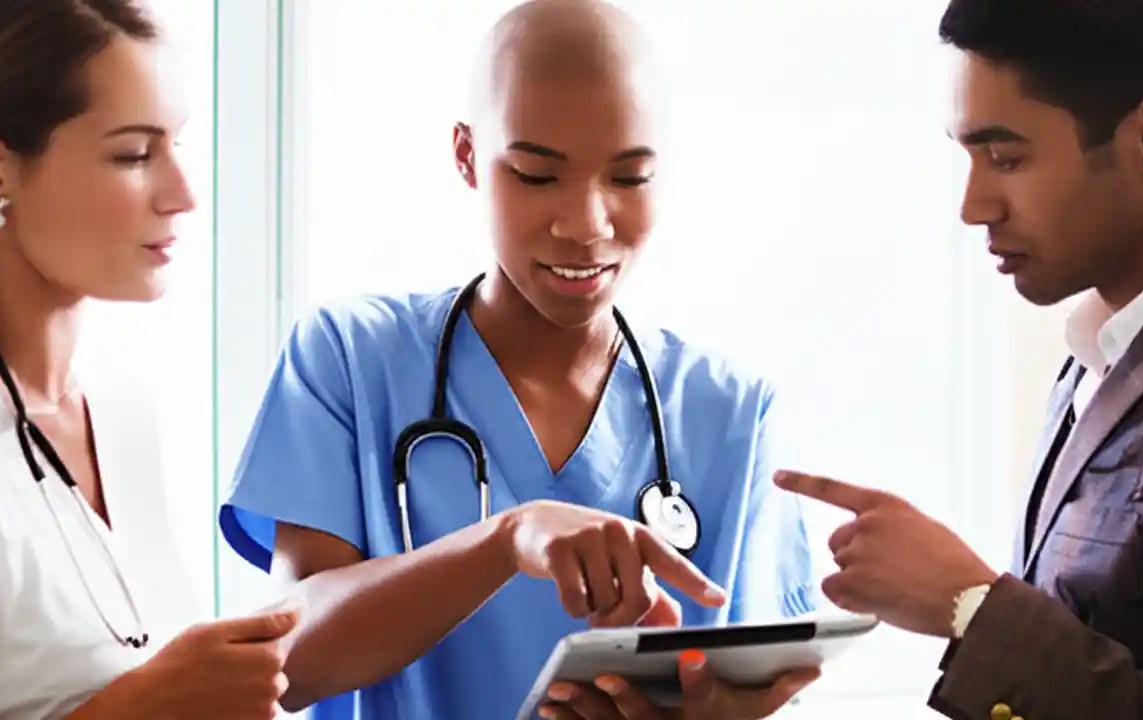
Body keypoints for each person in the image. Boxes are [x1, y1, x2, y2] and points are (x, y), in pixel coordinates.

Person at [218, 0, 820, 718]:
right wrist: (506, 539)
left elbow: (759, 682)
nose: (587, 225)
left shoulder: (731, 412)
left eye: (629, 179)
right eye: (538, 176)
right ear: (469, 156)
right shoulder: (350, 360)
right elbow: (293, 661)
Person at [776, 1, 1143, 718]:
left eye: (1006, 158)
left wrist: (971, 607)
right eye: (967, 158)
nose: (973, 206)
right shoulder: (1098, 355)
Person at [0, 1, 299, 718]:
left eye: (176, 146)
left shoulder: (119, 405)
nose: (183, 195)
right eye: (133, 154)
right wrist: (151, 702)